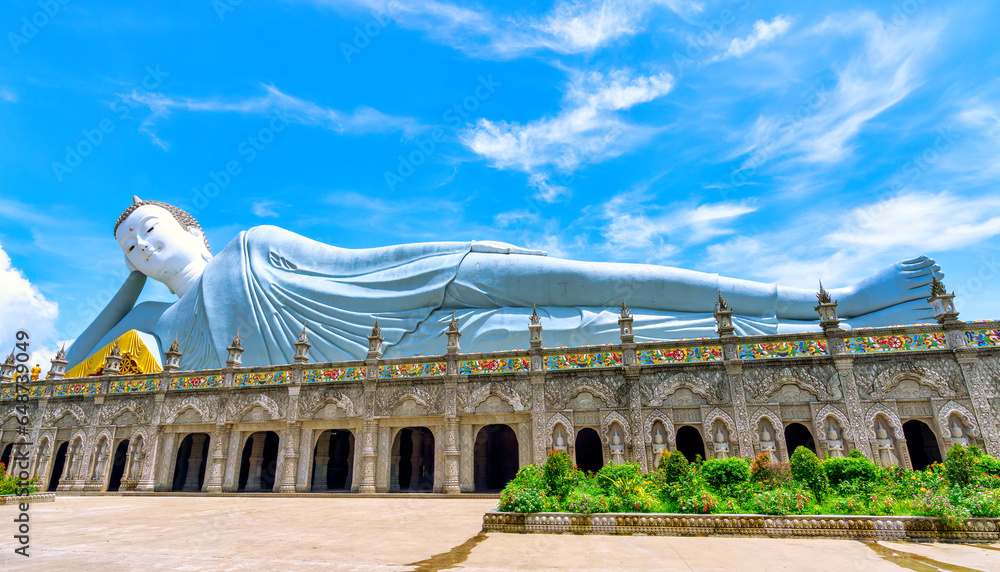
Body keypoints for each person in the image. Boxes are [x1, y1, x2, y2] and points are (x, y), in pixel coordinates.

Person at [66, 197, 944, 371]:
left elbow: (345, 261)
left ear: (193, 227)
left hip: (404, 281)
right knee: (597, 331)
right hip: (390, 359)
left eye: (151, 229)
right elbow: (70, 359)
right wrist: (121, 290)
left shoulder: (250, 243)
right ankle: (832, 338)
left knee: (592, 279)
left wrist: (459, 256)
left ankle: (822, 301)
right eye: (130, 247)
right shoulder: (154, 322)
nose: (143, 247)